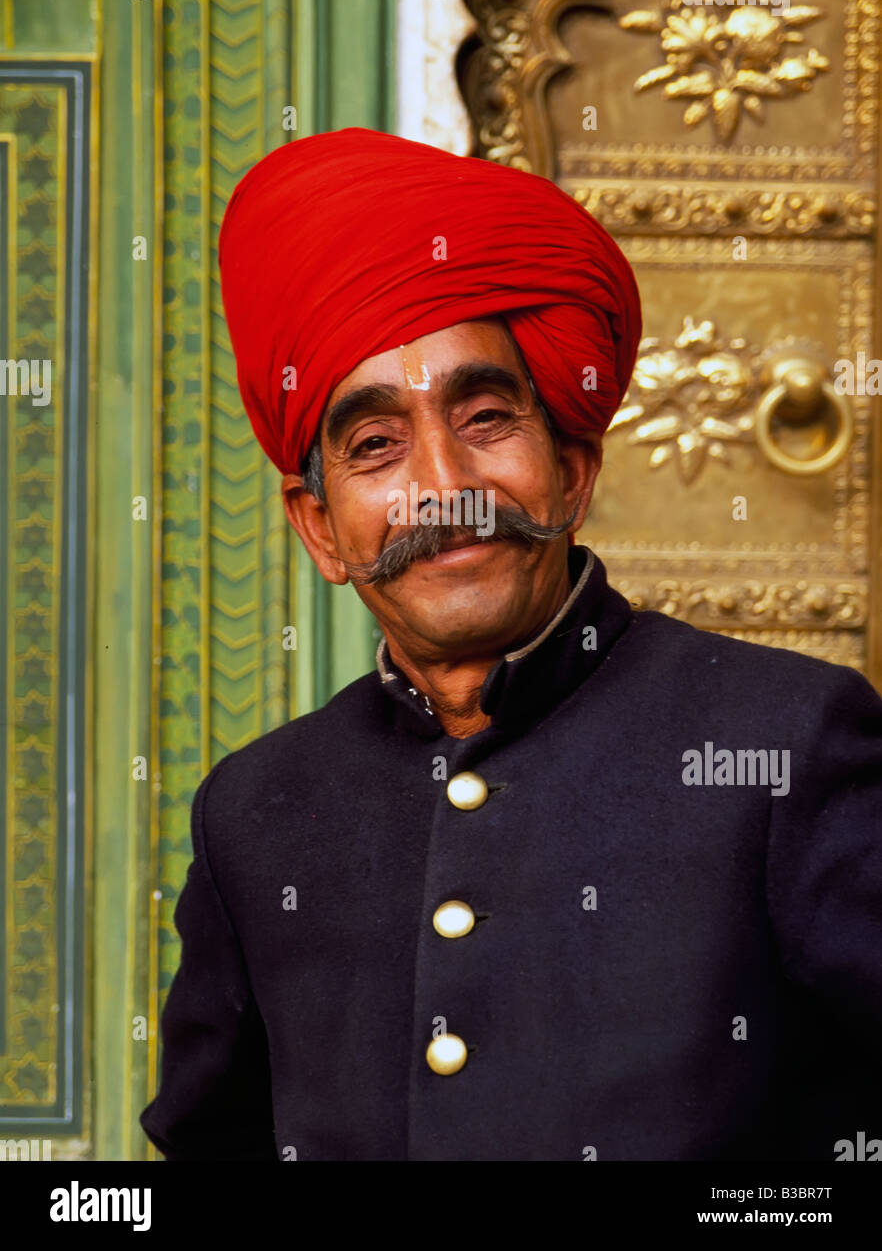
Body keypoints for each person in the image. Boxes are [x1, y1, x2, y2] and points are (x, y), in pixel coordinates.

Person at [140, 128, 882, 1161]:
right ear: (320, 530)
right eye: (375, 445)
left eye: (486, 416)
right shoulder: (258, 811)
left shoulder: (787, 741)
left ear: (573, 470)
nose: (443, 482)